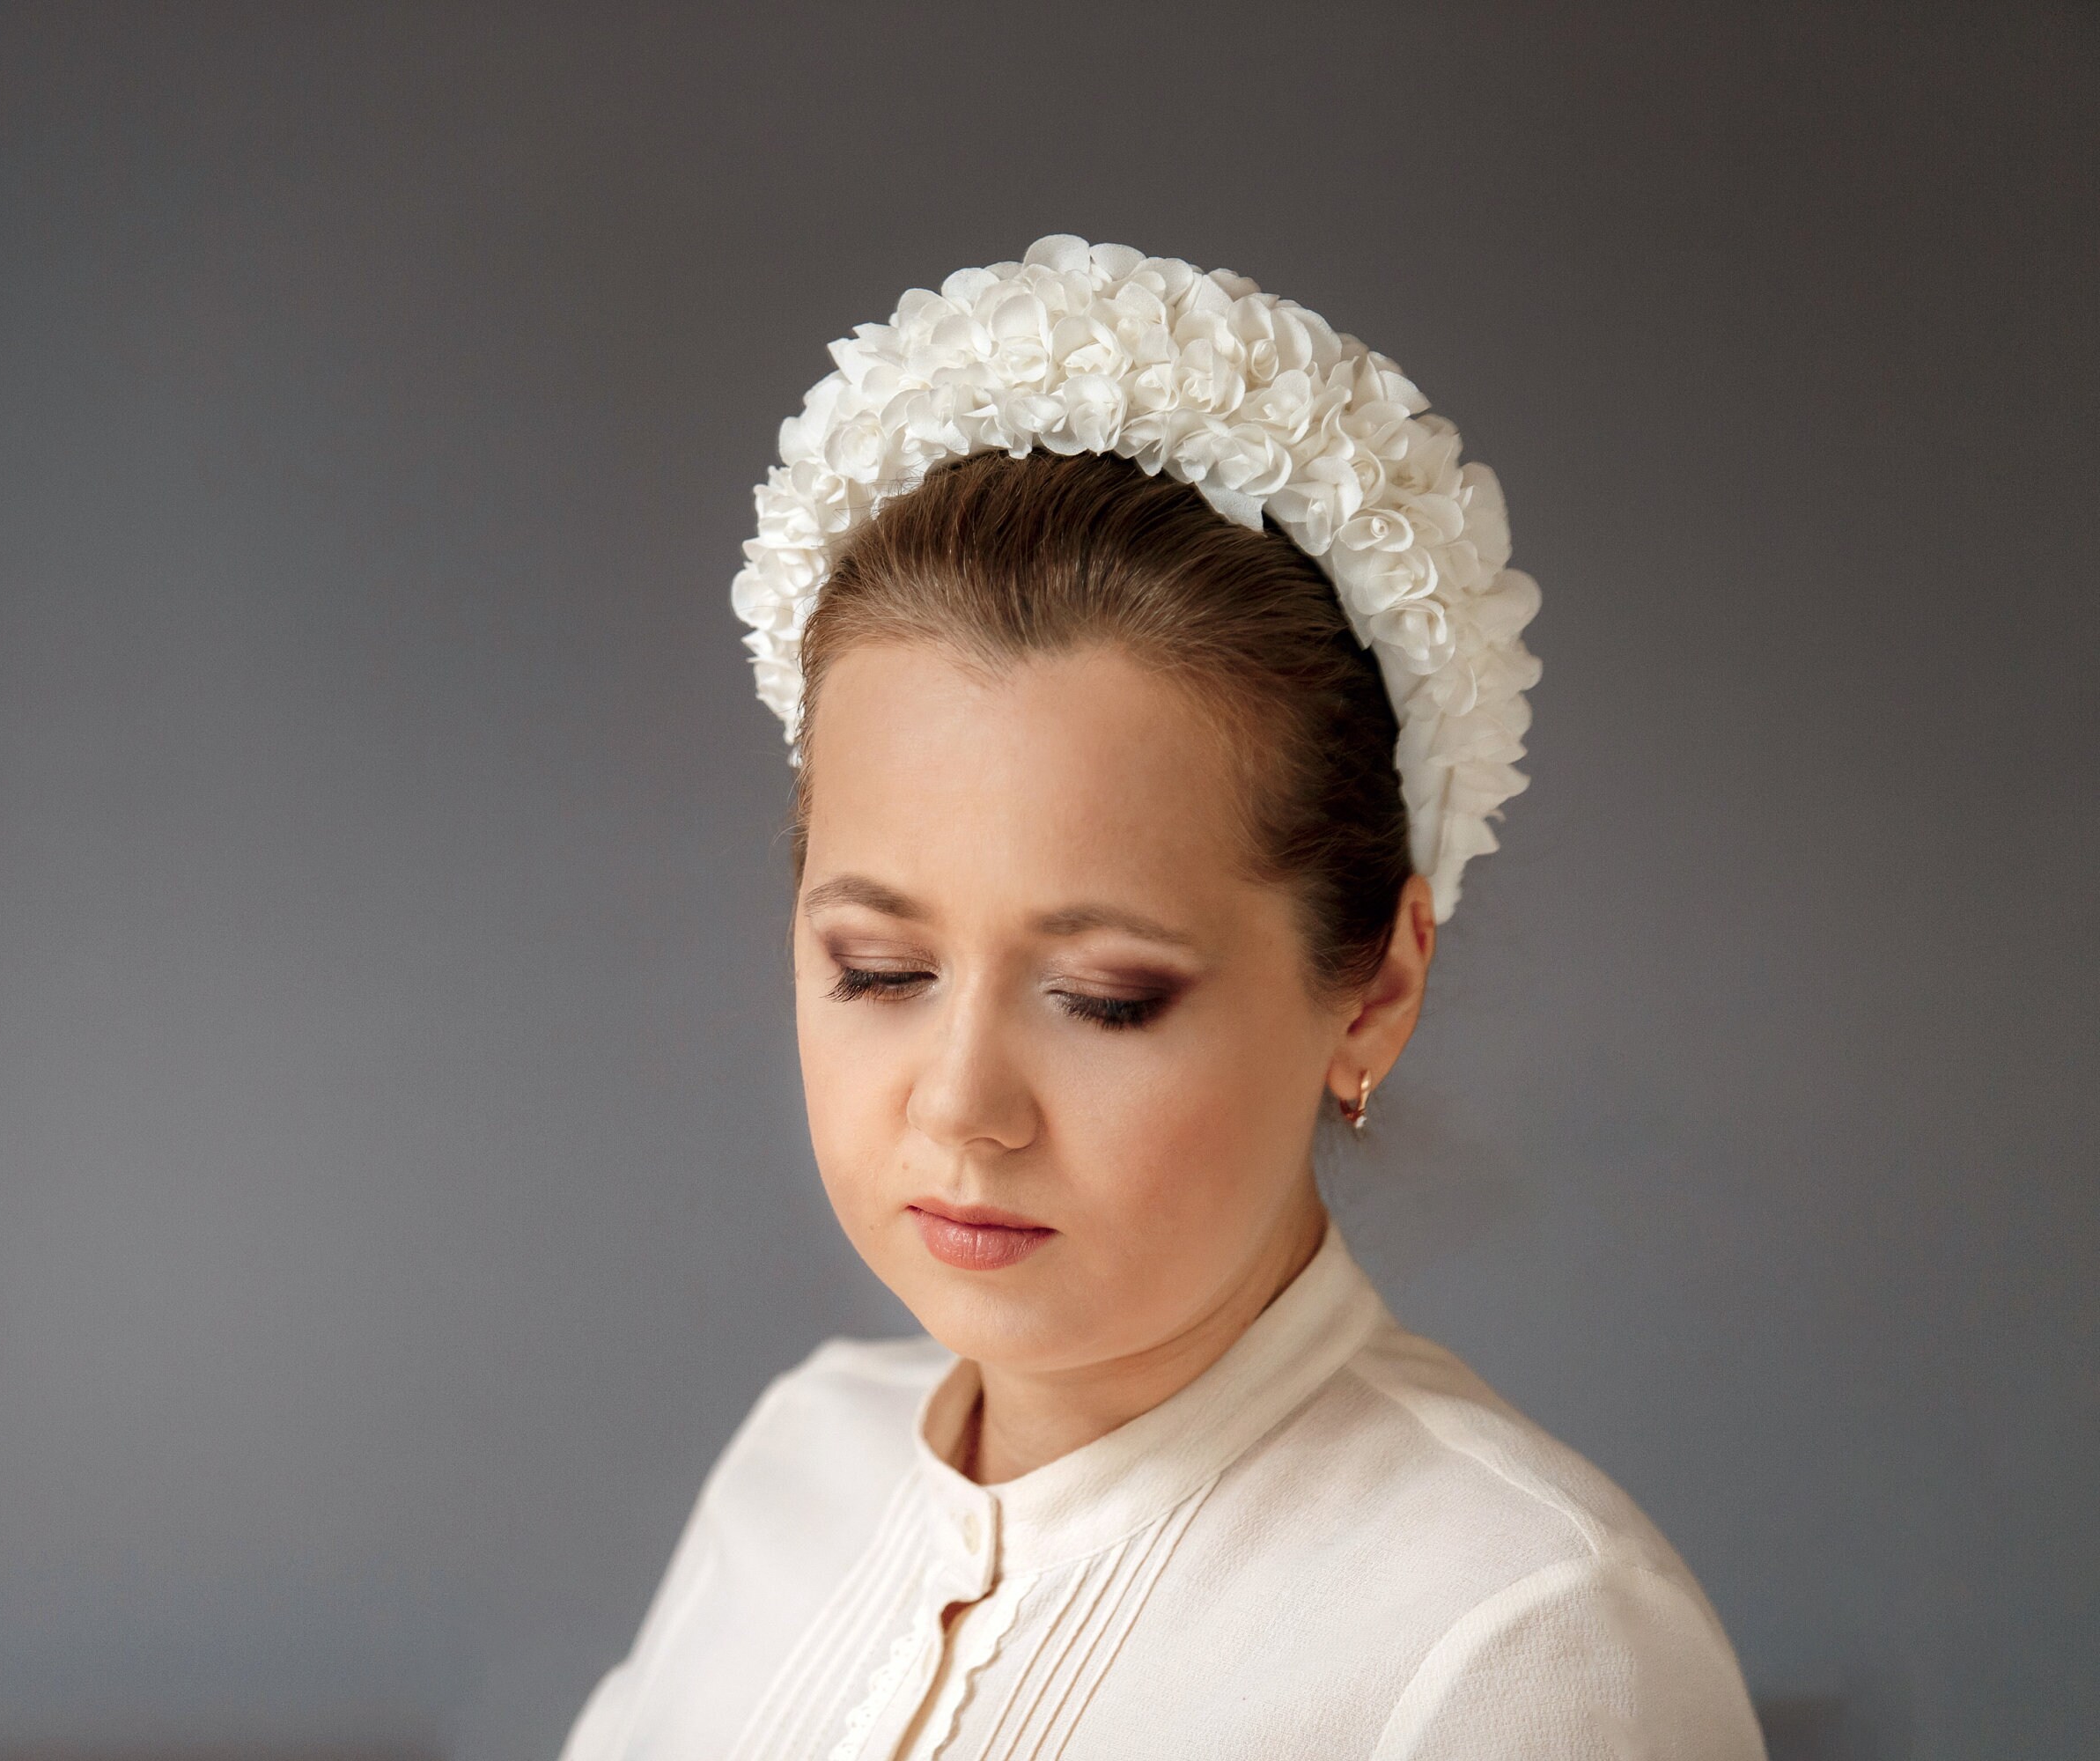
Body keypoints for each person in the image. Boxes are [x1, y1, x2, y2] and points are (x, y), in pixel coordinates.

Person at [559, 238, 1765, 1761]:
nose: (960, 1108)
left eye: (1103, 997)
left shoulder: (1518, 1644)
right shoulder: (801, 1465)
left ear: (1375, 990)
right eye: (881, 970)